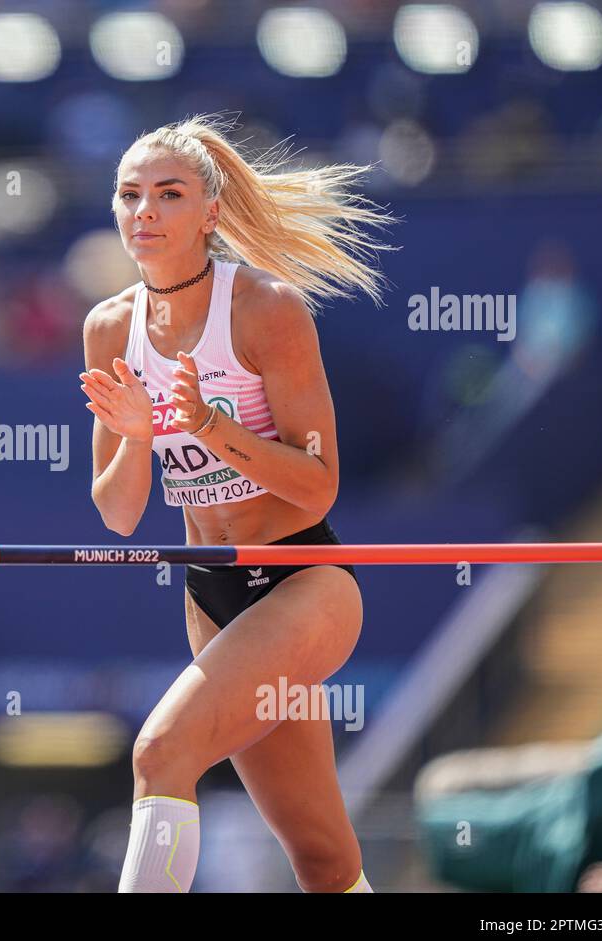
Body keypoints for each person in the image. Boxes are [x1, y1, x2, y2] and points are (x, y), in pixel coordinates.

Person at [80, 114, 394, 892]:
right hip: (210, 592)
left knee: (161, 752)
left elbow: (319, 482)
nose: (144, 211)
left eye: (168, 194)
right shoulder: (109, 328)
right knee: (323, 856)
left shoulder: (265, 308)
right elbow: (118, 515)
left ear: (210, 212)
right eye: (129, 195)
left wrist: (210, 427)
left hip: (303, 579)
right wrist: (135, 436)